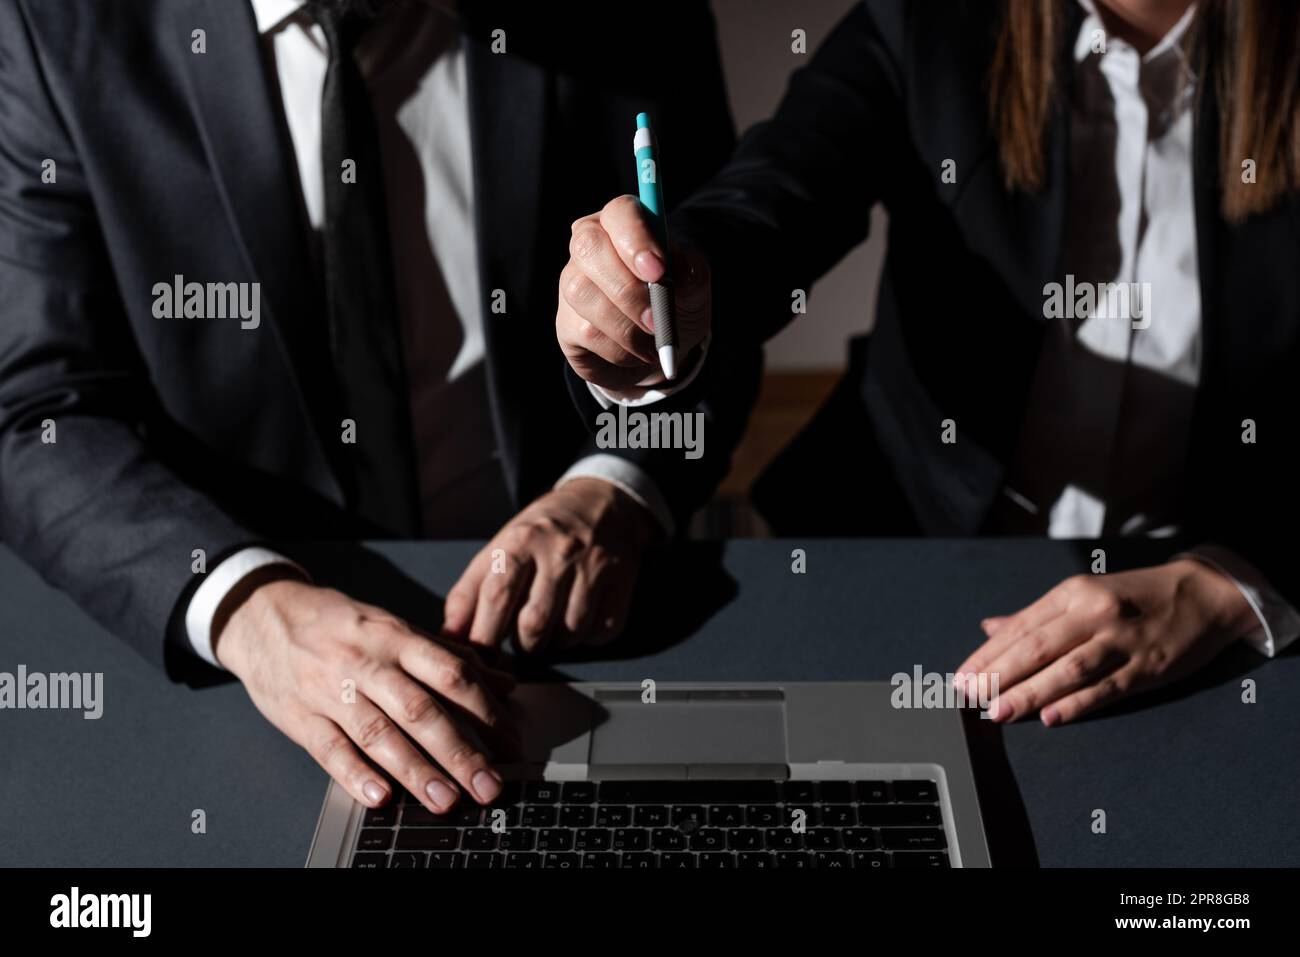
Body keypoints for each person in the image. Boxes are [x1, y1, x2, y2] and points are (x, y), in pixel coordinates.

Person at [0, 0, 757, 813]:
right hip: (249, 664)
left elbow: (719, 290)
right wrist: (249, 609)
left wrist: (617, 485)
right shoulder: (58, 28)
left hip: (577, 629)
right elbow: (36, 405)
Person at [556, 0, 1300, 725]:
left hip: (1205, 630)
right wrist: (681, 281)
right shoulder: (930, 18)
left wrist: (1229, 581)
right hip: (901, 570)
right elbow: (779, 190)